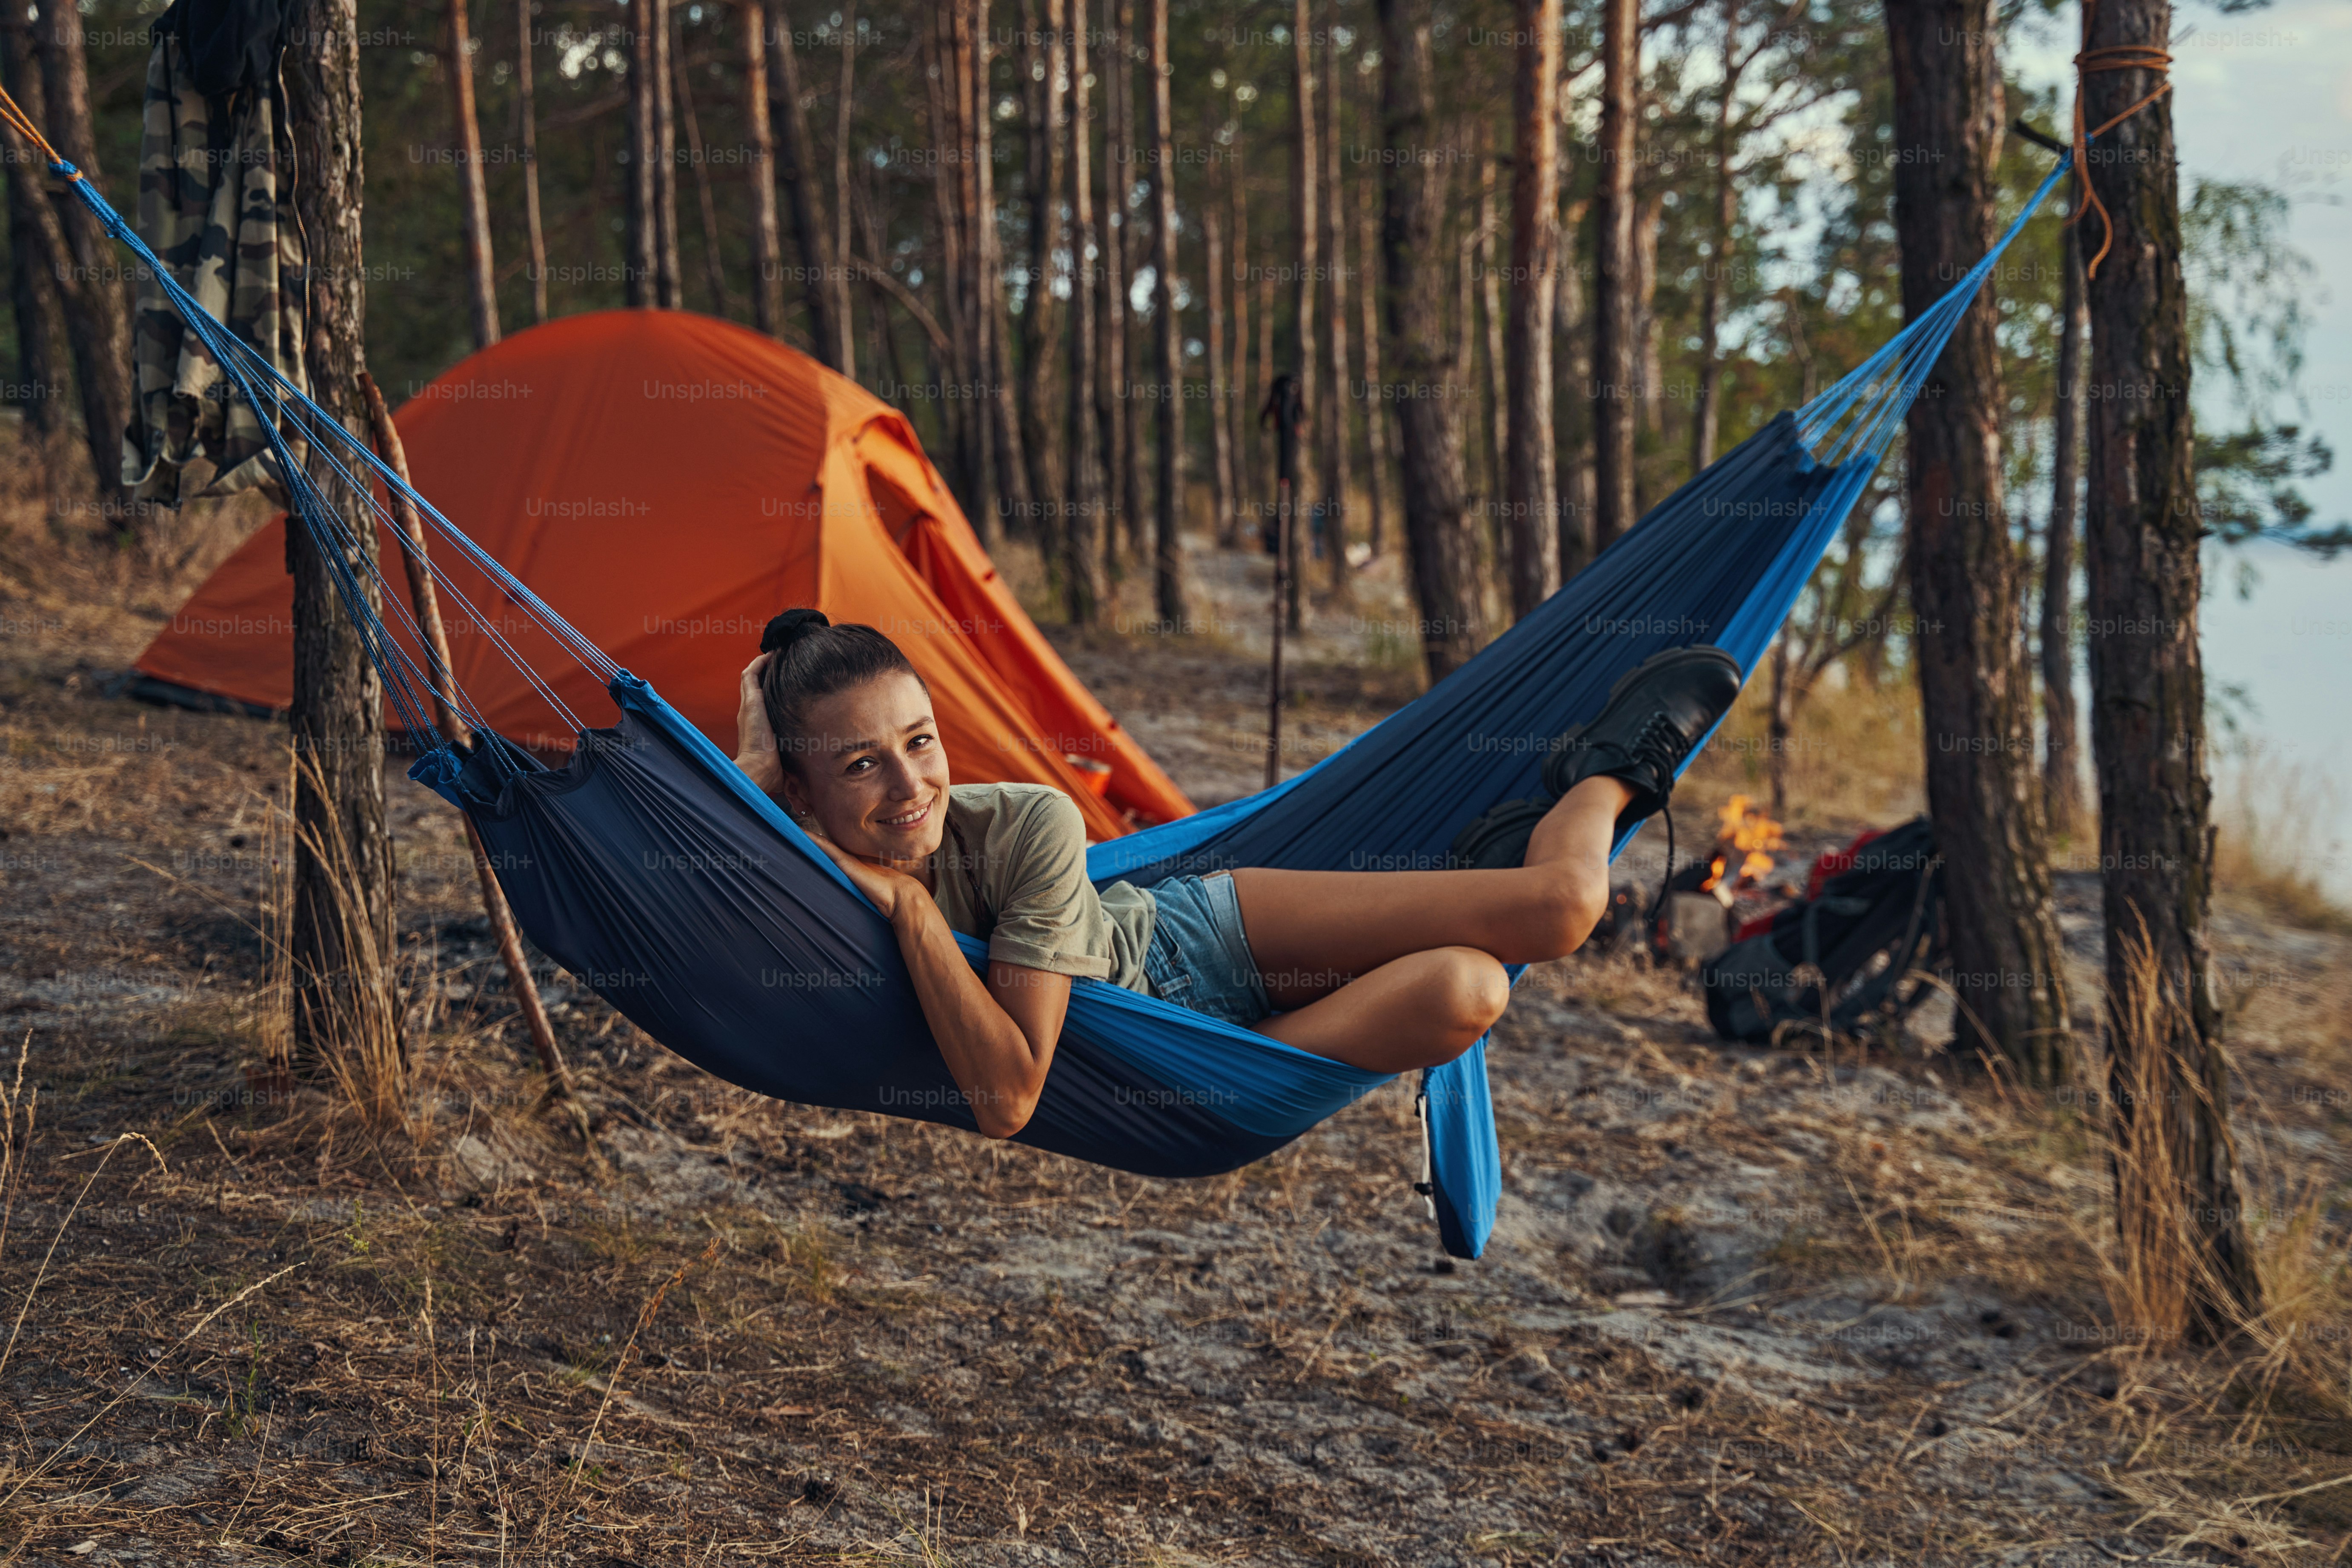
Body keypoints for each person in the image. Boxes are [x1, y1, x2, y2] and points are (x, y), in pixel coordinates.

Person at [734, 608, 1740, 1141]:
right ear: (800, 789)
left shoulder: (1025, 822)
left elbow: (1005, 1090)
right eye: (860, 765)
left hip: (1206, 940)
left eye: (920, 741)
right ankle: (1479, 880)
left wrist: (906, 904)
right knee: (1471, 988)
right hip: (1198, 1073)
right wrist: (766, 781)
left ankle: (1605, 776)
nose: (911, 787)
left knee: (1565, 908)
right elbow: (1007, 1102)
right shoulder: (797, 870)